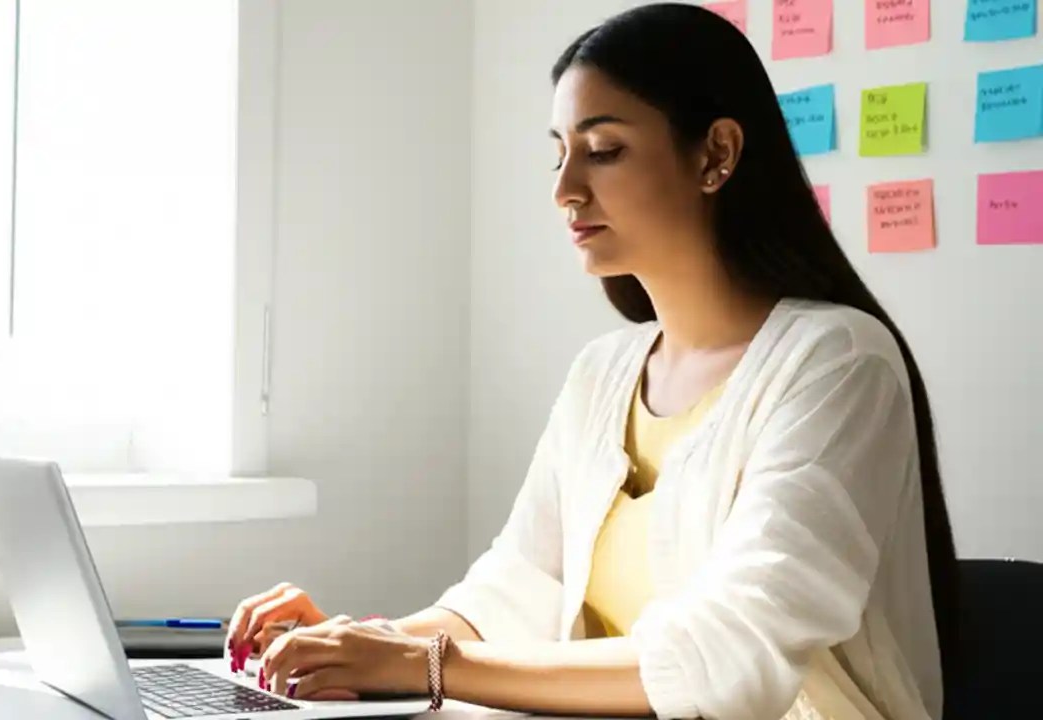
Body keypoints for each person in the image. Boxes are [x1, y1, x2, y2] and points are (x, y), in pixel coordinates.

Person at [223, 5, 956, 718]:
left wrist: (417, 664)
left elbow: (732, 656)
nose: (565, 189)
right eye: (560, 152)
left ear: (717, 154)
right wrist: (353, 646)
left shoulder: (838, 364)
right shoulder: (603, 372)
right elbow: (512, 595)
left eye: (603, 150)